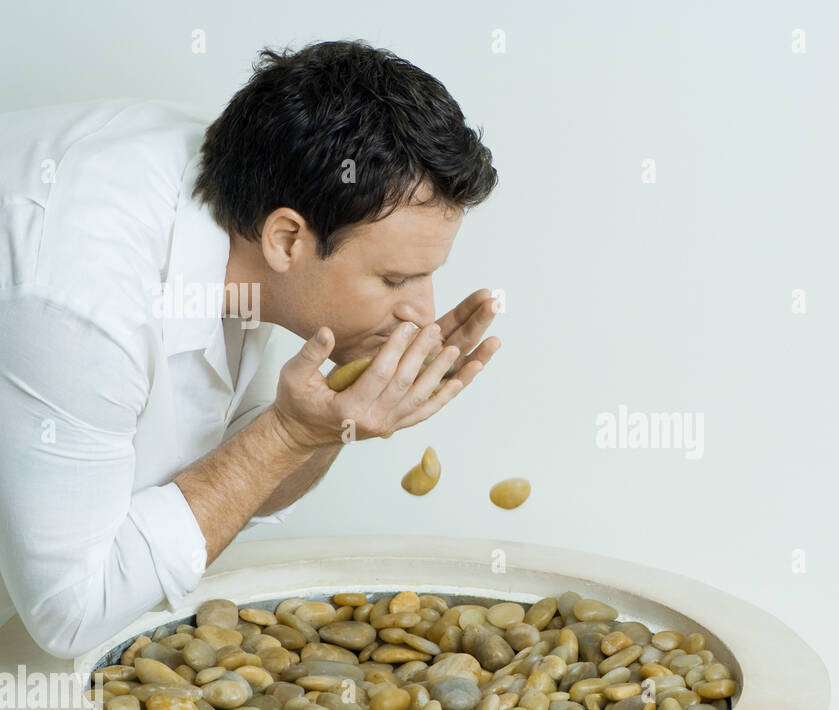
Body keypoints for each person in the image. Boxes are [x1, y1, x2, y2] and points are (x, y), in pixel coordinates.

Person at [0, 40, 502, 659]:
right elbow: (68, 614)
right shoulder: (79, 303)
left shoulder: (257, 193)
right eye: (395, 280)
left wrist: (332, 408)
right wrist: (290, 434)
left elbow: (239, 478)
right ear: (286, 239)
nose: (422, 313)